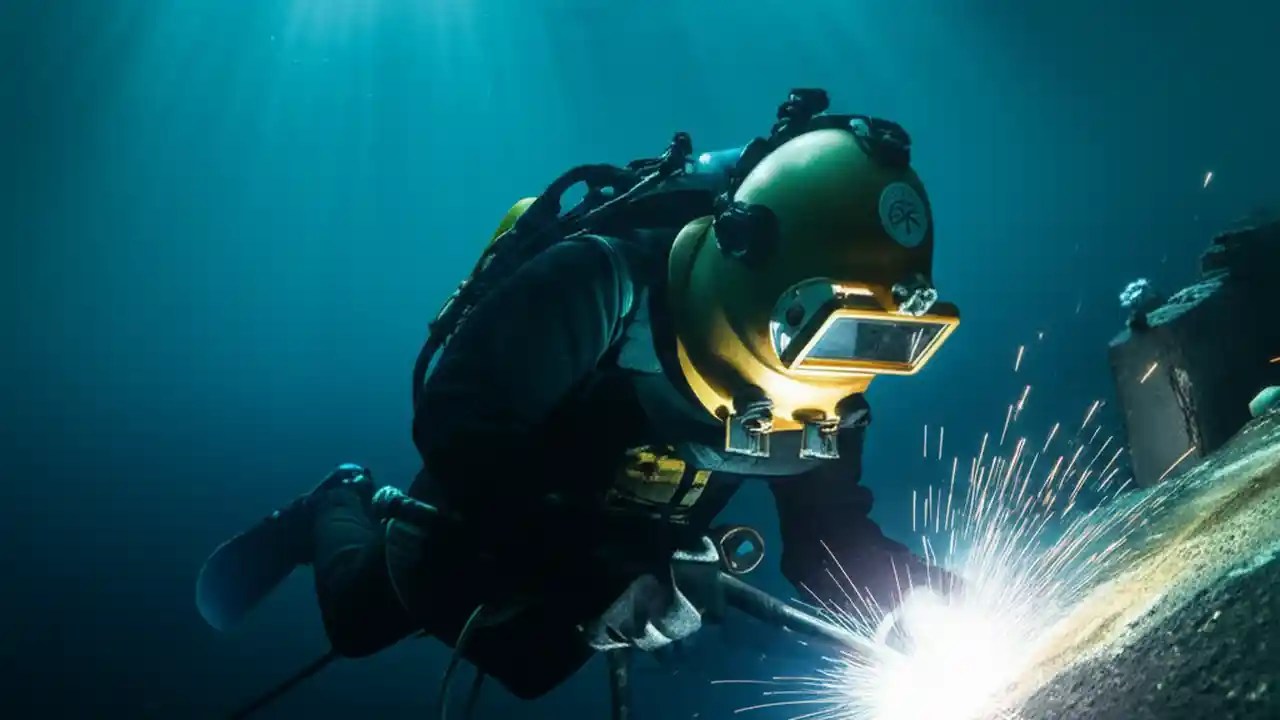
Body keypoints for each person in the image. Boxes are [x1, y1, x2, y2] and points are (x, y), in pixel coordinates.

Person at [197, 89, 963, 704]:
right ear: (756, 272)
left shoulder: (836, 378)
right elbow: (458, 418)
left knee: (537, 665)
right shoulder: (602, 283)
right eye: (836, 335)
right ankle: (340, 498)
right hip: (504, 499)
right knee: (363, 620)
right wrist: (587, 567)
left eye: (881, 339)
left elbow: (826, 540)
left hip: (620, 545)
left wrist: (921, 599)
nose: (836, 376)